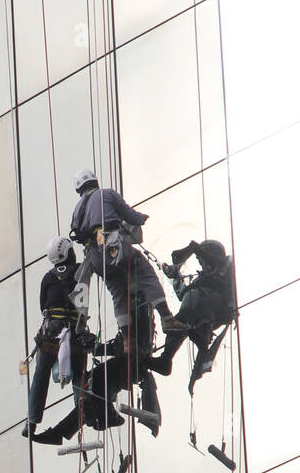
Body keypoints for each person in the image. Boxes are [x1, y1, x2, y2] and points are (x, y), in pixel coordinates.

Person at [32, 172, 186, 444]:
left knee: (117, 293)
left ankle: (65, 429)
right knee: (145, 273)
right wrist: (141, 220)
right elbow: (129, 214)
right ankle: (166, 317)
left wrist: (94, 342)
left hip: (98, 255)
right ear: (94, 183)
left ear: (79, 189)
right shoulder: (106, 194)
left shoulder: (78, 209)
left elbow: (77, 234)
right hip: (116, 246)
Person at [23, 236, 94, 438]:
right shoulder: (80, 271)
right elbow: (92, 266)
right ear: (68, 253)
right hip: (75, 337)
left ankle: (32, 421)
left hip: (50, 338)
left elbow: (43, 306)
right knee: (80, 374)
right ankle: (82, 411)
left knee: (41, 374)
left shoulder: (47, 278)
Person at [146, 239, 236, 391]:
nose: (201, 264)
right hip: (197, 310)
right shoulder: (201, 278)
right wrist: (176, 276)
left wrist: (194, 248)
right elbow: (182, 295)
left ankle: (199, 333)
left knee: (190, 303)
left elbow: (213, 261)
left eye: (201, 260)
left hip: (212, 309)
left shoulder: (225, 263)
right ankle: (166, 359)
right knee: (180, 319)